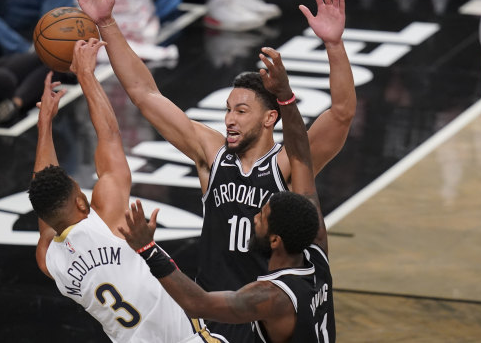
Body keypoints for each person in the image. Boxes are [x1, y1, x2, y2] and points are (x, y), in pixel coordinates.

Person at [66, 0, 354, 341]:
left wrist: (334, 44)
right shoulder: (211, 154)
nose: (230, 120)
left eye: (241, 111)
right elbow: (145, 93)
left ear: (271, 118)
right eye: (227, 110)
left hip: (264, 312)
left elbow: (341, 113)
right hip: (211, 313)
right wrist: (106, 23)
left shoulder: (287, 165)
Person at [29, 37, 222, 342]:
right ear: (81, 202)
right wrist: (87, 76)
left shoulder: (50, 259)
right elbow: (109, 138)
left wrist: (44, 127)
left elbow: (44, 196)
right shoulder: (107, 220)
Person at [118, 74, 334, 342]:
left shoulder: (273, 296)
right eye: (228, 110)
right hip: (226, 309)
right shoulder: (317, 255)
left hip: (235, 310)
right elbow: (301, 153)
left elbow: (199, 304)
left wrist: (148, 250)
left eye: (262, 215)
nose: (255, 217)